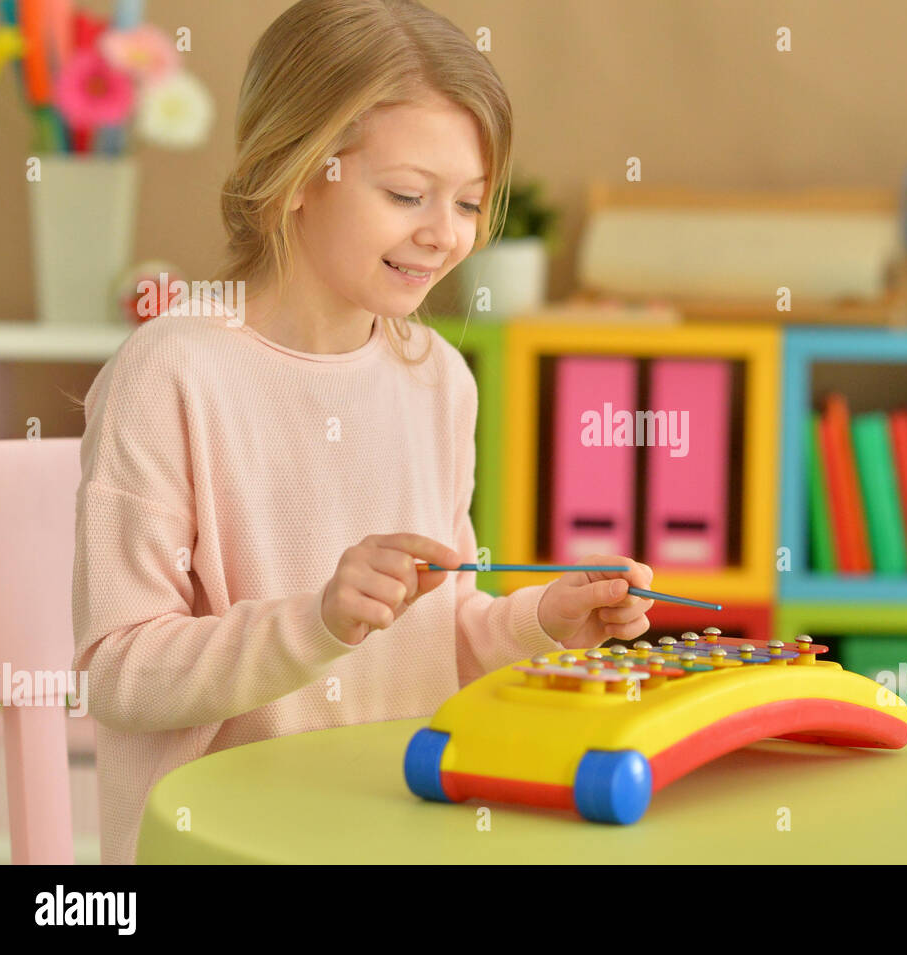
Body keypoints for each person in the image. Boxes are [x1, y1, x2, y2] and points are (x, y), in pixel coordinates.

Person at [71, 0, 653, 865]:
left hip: (391, 834)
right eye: (408, 195)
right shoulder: (170, 375)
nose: (444, 234)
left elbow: (439, 636)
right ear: (299, 172)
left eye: (469, 203)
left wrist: (543, 620)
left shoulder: (438, 381)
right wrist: (316, 623)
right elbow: (118, 672)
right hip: (219, 847)